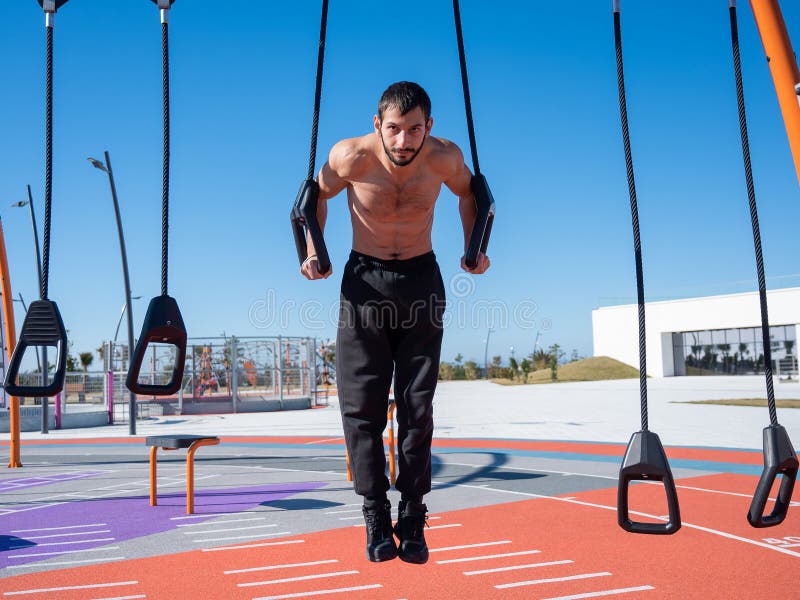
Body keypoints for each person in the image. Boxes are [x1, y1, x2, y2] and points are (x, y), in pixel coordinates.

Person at [300, 81, 491, 563]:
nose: (404, 141)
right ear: (377, 124)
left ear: (429, 126)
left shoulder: (444, 157)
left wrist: (474, 247)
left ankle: (412, 510)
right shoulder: (350, 157)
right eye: (394, 129)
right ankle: (374, 510)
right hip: (363, 281)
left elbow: (471, 195)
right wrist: (313, 250)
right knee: (360, 406)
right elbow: (314, 198)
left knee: (417, 405)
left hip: (421, 280)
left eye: (414, 130)